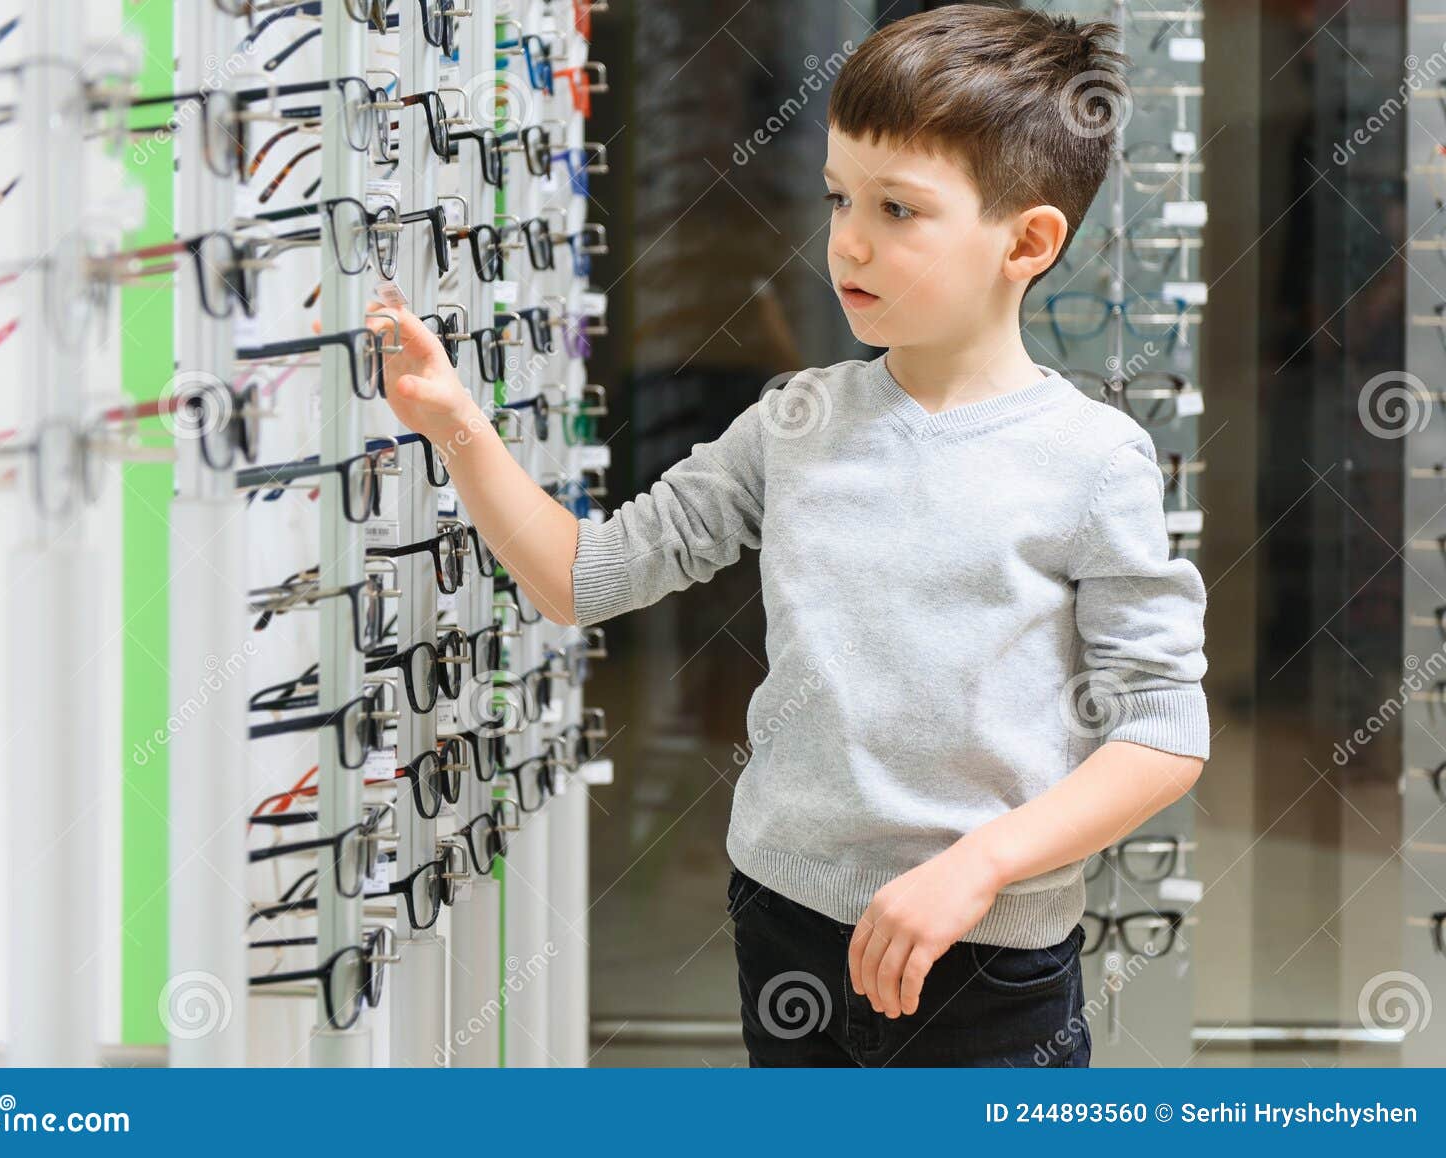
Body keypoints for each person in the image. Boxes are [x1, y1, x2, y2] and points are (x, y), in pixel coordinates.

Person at [374, 4, 1208, 1067]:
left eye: (899, 209)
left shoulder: (1095, 460)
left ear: (1028, 241)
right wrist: (457, 426)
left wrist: (978, 868)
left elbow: (1163, 732)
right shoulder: (795, 421)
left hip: (986, 959)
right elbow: (585, 577)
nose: (848, 239)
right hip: (786, 926)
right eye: (838, 198)